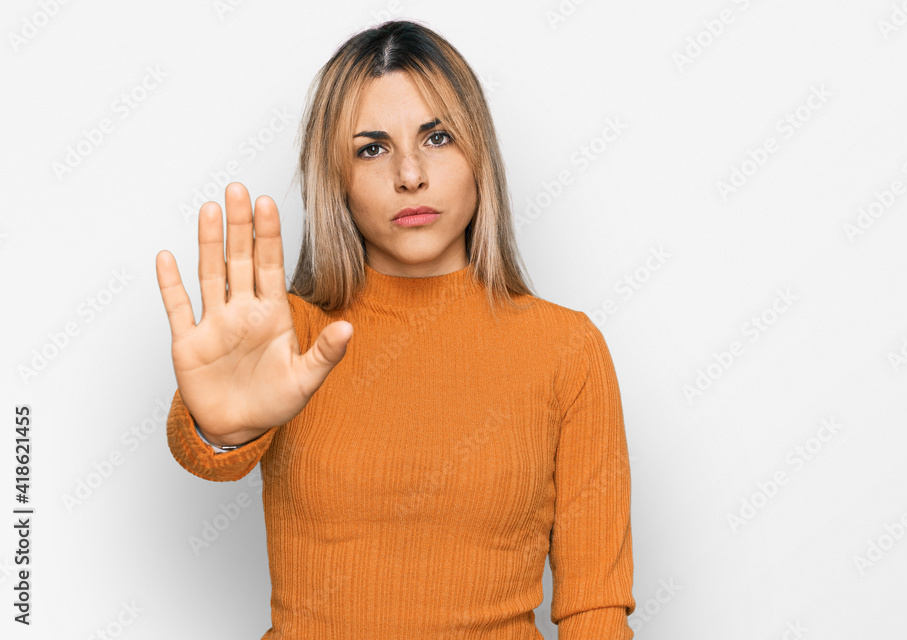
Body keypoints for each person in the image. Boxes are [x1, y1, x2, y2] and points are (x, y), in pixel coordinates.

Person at [155, 19, 635, 639]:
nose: (410, 174)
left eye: (437, 137)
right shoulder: (288, 335)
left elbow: (595, 609)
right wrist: (217, 432)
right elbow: (204, 455)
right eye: (371, 148)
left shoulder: (566, 350)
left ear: (478, 154)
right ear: (337, 178)